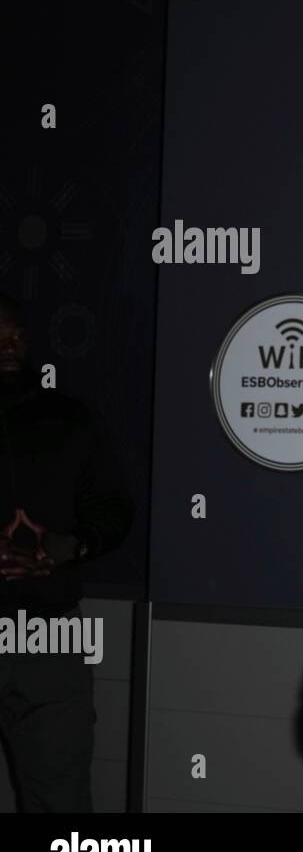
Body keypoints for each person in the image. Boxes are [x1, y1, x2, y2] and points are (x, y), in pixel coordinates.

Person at [0, 293, 133, 811]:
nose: (10, 346)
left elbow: (112, 508)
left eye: (17, 335)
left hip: (48, 631)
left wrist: (69, 544)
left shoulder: (71, 417)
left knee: (62, 799)